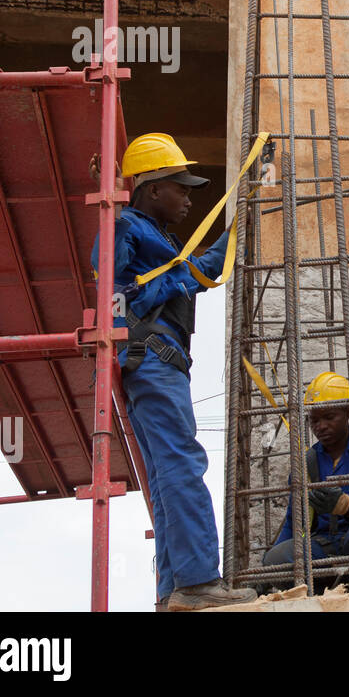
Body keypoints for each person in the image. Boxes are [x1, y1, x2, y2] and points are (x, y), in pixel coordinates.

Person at [91, 132, 256, 611]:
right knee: (183, 464)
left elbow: (194, 272)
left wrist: (238, 226)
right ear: (149, 188)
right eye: (179, 187)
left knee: (166, 475)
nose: (188, 196)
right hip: (152, 361)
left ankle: (174, 591)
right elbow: (114, 298)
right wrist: (174, 279)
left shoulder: (158, 238)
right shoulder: (124, 228)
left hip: (158, 364)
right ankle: (200, 581)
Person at [262, 372, 349, 592]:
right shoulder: (307, 463)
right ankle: (321, 595)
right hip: (323, 547)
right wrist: (266, 571)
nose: (321, 426)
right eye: (314, 420)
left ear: (347, 412)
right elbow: (293, 523)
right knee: (275, 560)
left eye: (329, 417)